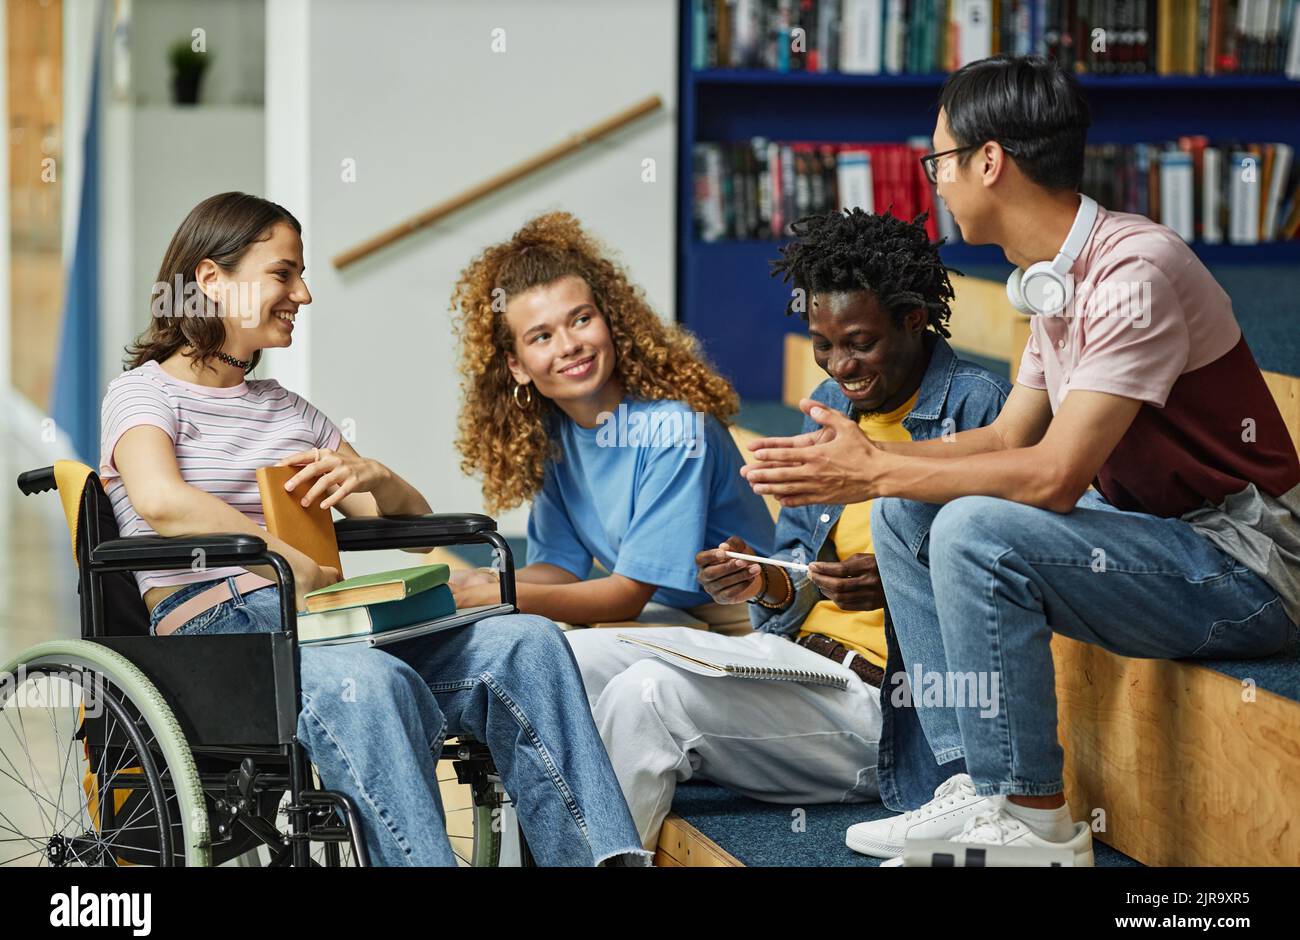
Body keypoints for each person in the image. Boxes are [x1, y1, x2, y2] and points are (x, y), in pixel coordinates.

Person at [742, 55, 1300, 867]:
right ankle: (972, 782)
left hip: (1245, 566)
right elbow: (1008, 437)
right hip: (1152, 531)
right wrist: (875, 463)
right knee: (908, 513)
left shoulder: (1132, 275)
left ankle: (1035, 820)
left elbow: (1052, 474)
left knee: (972, 529)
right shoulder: (1054, 277)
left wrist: (874, 470)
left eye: (940, 160)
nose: (935, 181)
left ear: (989, 161)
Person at [102, 191, 647, 866]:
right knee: (374, 683)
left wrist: (373, 480)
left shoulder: (289, 411)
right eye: (284, 273)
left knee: (526, 643)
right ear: (212, 279)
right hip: (219, 636)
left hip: (323, 626)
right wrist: (279, 556)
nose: (302, 293)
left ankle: (599, 860)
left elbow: (413, 531)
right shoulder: (144, 393)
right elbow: (161, 500)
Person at [565, 209, 1010, 848]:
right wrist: (764, 580)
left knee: (647, 696)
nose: (839, 366)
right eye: (823, 344)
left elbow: (1007, 578)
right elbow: (798, 564)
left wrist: (892, 584)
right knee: (568, 656)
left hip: (887, 704)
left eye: (859, 342)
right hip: (796, 661)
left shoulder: (982, 411)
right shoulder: (829, 408)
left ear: (914, 319)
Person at [449, 211, 773, 630]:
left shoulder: (674, 430)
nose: (569, 346)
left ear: (610, 321)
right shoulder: (553, 435)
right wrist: (482, 582)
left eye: (582, 319)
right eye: (542, 336)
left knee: (553, 651)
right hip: (669, 614)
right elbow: (558, 568)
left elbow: (624, 597)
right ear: (517, 365)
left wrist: (503, 593)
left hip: (745, 619)